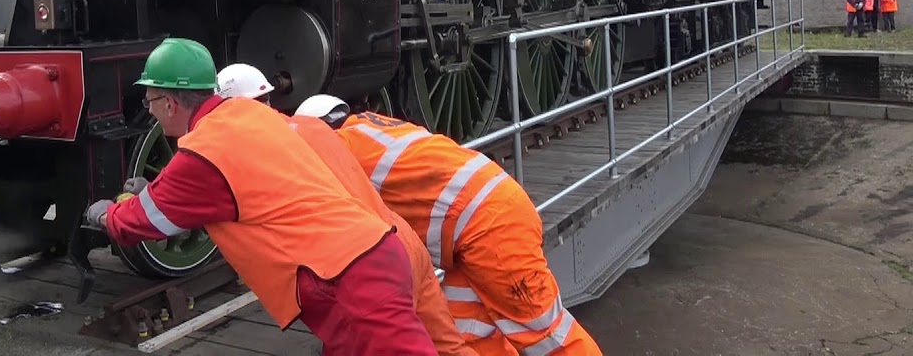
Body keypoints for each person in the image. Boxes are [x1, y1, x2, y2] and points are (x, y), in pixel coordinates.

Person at [87, 39, 437, 355]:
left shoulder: (203, 152)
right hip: (371, 256)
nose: (148, 109)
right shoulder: (248, 114)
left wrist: (104, 215)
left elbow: (145, 220)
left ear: (170, 102)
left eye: (150, 100)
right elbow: (236, 187)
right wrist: (159, 191)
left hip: (348, 280)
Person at [295, 95, 602, 356]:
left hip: (487, 229)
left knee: (549, 338)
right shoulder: (374, 126)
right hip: (480, 225)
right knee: (466, 334)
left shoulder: (340, 148)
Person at [222, 65, 473, 356]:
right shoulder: (314, 129)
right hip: (400, 241)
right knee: (451, 347)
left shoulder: (268, 148)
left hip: (367, 263)